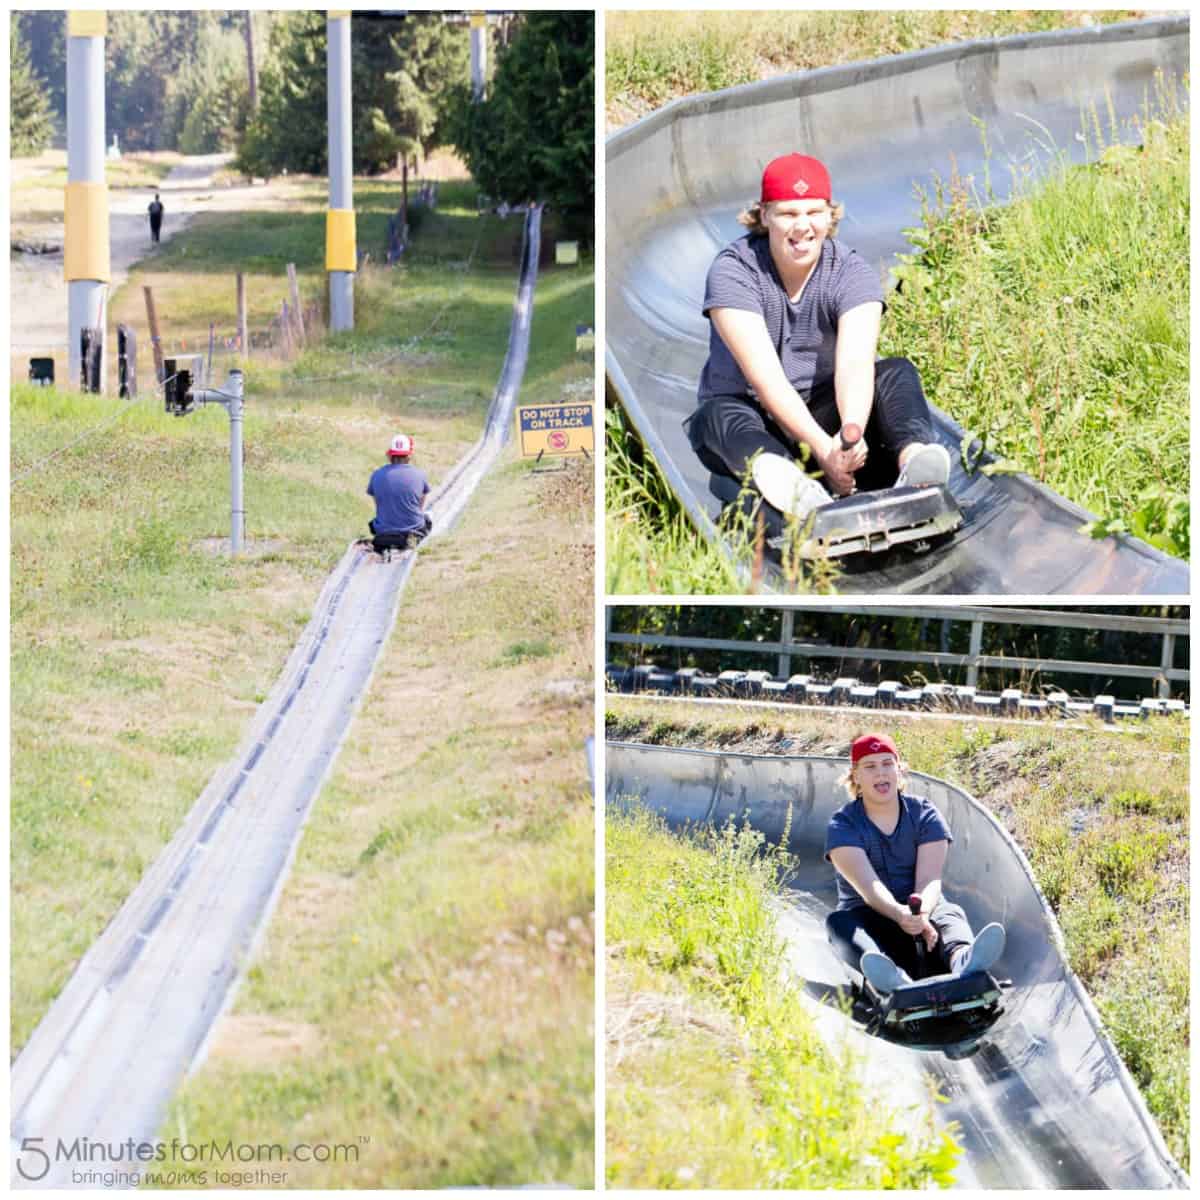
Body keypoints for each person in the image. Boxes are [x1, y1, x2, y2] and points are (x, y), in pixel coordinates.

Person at [685, 153, 951, 524]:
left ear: (830, 216)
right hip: (757, 417)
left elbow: (855, 364)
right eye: (789, 214)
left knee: (894, 372)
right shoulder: (734, 271)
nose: (803, 227)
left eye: (813, 213)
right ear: (765, 217)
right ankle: (787, 482)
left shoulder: (851, 272)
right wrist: (822, 450)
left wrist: (849, 435)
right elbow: (767, 381)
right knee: (715, 415)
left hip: (825, 411)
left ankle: (915, 465)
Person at [824, 732, 1005, 995]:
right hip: (871, 916)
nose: (880, 774)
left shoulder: (924, 814)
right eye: (870, 767)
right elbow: (869, 886)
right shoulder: (843, 825)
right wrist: (899, 914)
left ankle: (963, 960)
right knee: (839, 923)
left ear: (900, 769)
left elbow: (930, 880)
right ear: (856, 776)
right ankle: (889, 978)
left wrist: (921, 916)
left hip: (923, 916)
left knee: (949, 912)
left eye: (887, 764)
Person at [366, 434, 433, 552]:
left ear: (390, 455)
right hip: (413, 533)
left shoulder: (376, 475)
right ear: (409, 456)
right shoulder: (420, 474)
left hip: (384, 534)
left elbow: (379, 504)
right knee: (428, 517)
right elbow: (419, 507)